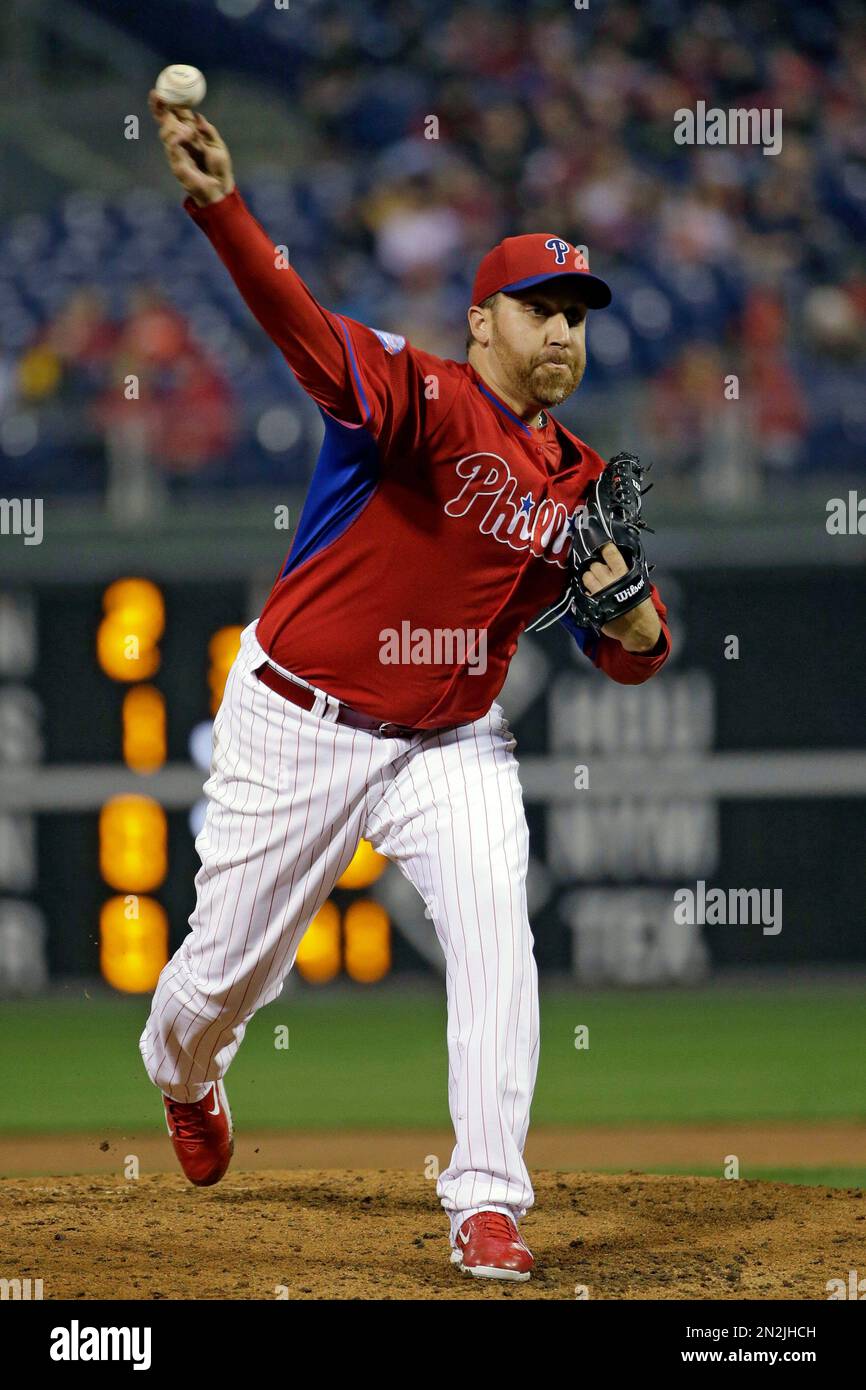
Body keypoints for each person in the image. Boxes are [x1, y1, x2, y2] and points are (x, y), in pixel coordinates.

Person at [140, 92, 671, 1283]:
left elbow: (628, 650)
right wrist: (223, 207)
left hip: (450, 743)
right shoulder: (414, 394)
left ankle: (485, 1200)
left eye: (578, 316)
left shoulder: (581, 481)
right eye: (541, 308)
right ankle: (184, 1074)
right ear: (482, 322)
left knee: (496, 936)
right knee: (221, 980)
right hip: (298, 716)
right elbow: (300, 327)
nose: (563, 334)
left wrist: (633, 617)